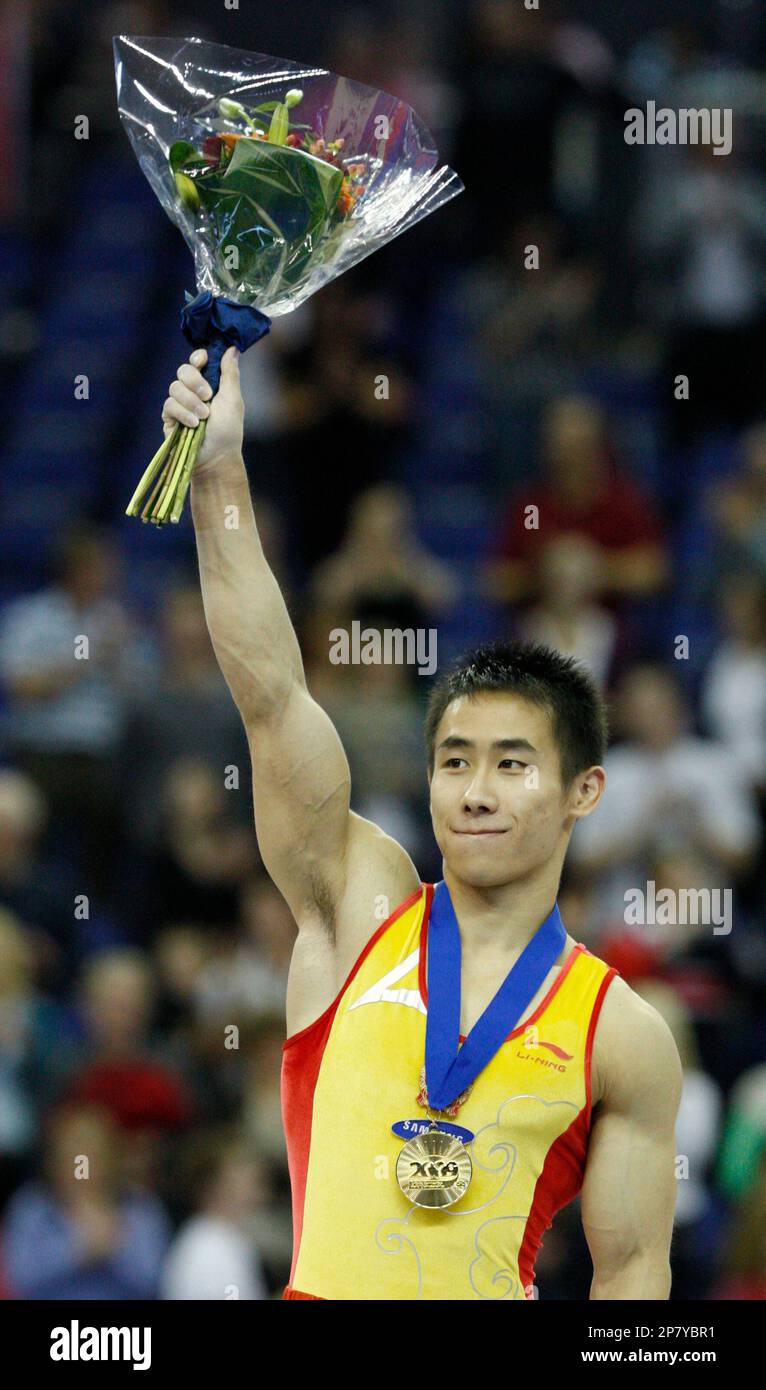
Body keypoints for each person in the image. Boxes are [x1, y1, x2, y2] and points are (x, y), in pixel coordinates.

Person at [162, 344, 682, 1302]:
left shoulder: (622, 1033)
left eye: (512, 764)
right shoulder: (362, 906)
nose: (474, 791)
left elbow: (634, 1275)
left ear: (584, 792)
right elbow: (274, 696)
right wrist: (221, 475)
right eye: (454, 762)